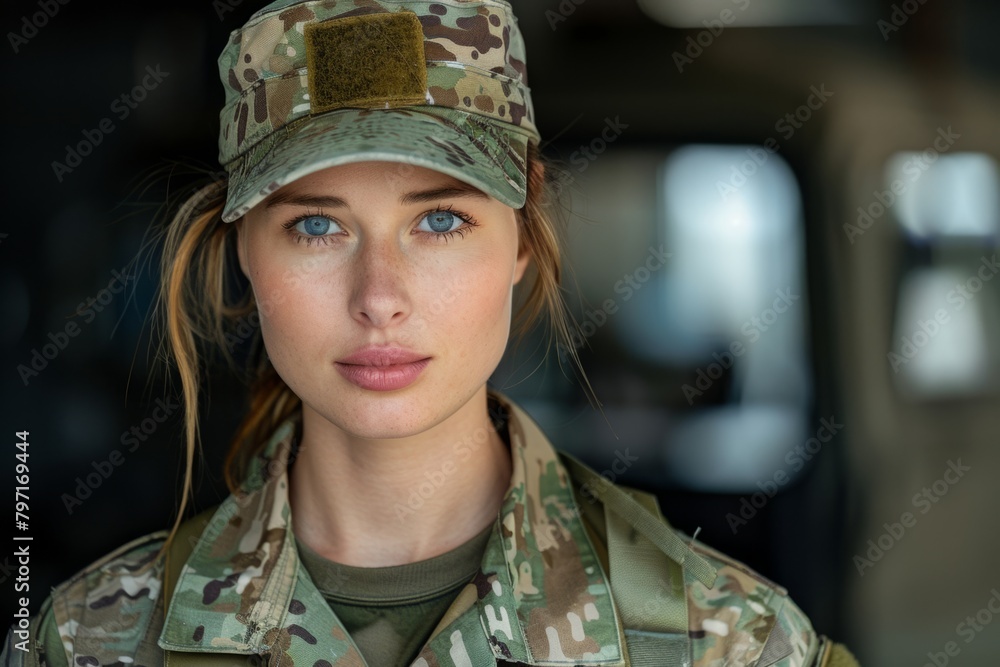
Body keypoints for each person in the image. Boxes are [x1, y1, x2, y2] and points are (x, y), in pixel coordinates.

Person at [2, 1, 858, 665]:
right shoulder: (91, 640)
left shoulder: (731, 643)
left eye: (441, 221)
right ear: (244, 252)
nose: (380, 298)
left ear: (522, 236)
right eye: (316, 227)